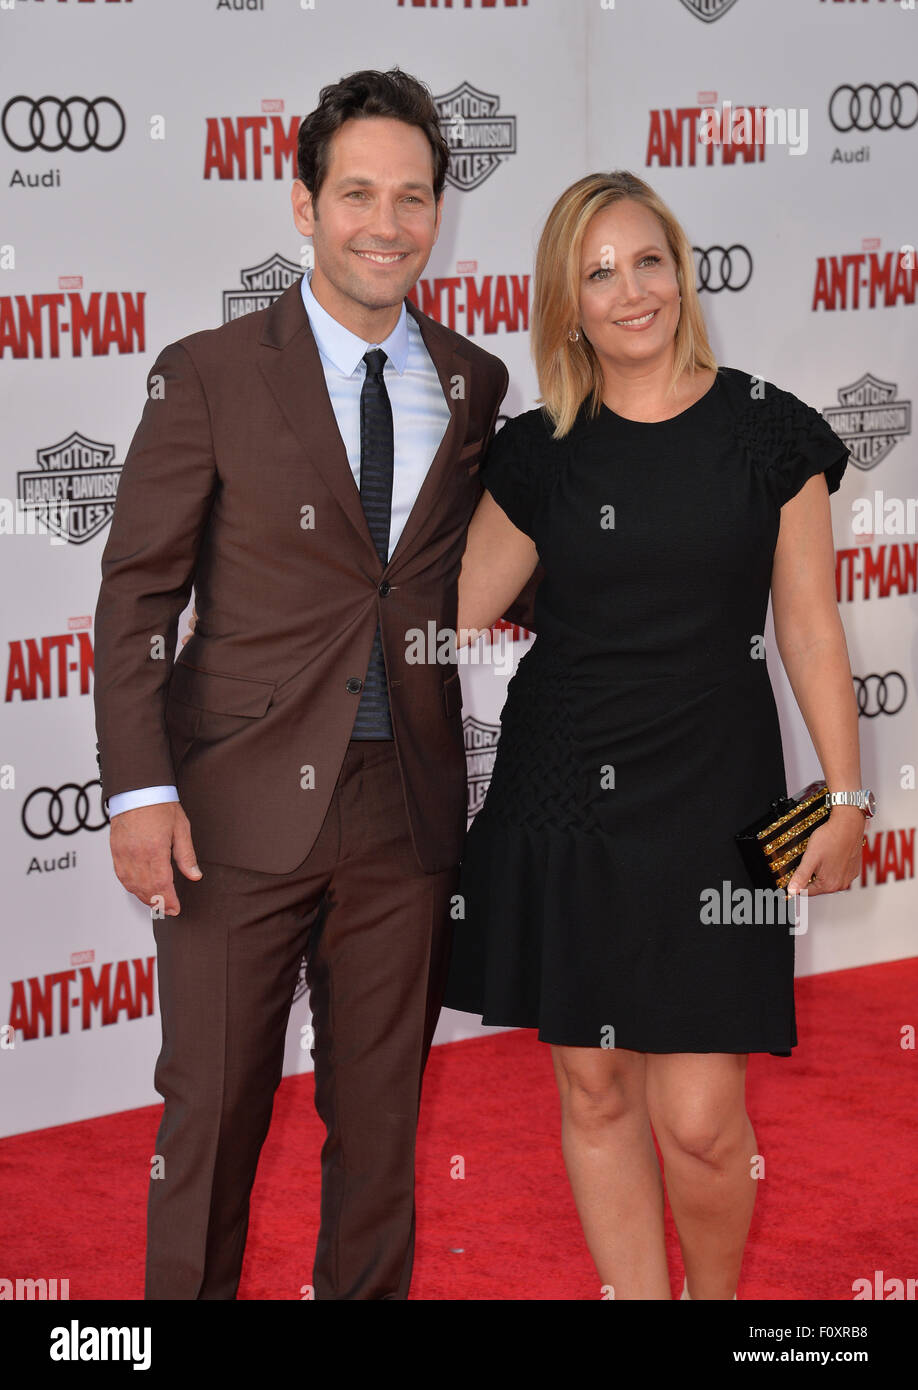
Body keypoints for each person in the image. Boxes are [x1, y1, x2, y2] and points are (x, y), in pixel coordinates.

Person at [92, 67, 531, 1301]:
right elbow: (137, 596)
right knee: (212, 1123)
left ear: (442, 213)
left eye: (412, 198)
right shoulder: (212, 371)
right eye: (356, 195)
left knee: (382, 1133)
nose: (385, 224)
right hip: (231, 816)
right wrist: (138, 792)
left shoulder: (475, 383)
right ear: (301, 203)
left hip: (407, 812)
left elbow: (489, 572)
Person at [444, 170, 873, 1301]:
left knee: (698, 1116)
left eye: (648, 260)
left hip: (728, 799)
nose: (631, 290)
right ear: (566, 303)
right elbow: (450, 612)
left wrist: (847, 793)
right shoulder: (541, 451)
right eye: (598, 272)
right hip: (563, 797)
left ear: (681, 269)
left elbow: (810, 628)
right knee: (592, 1085)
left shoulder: (769, 431)